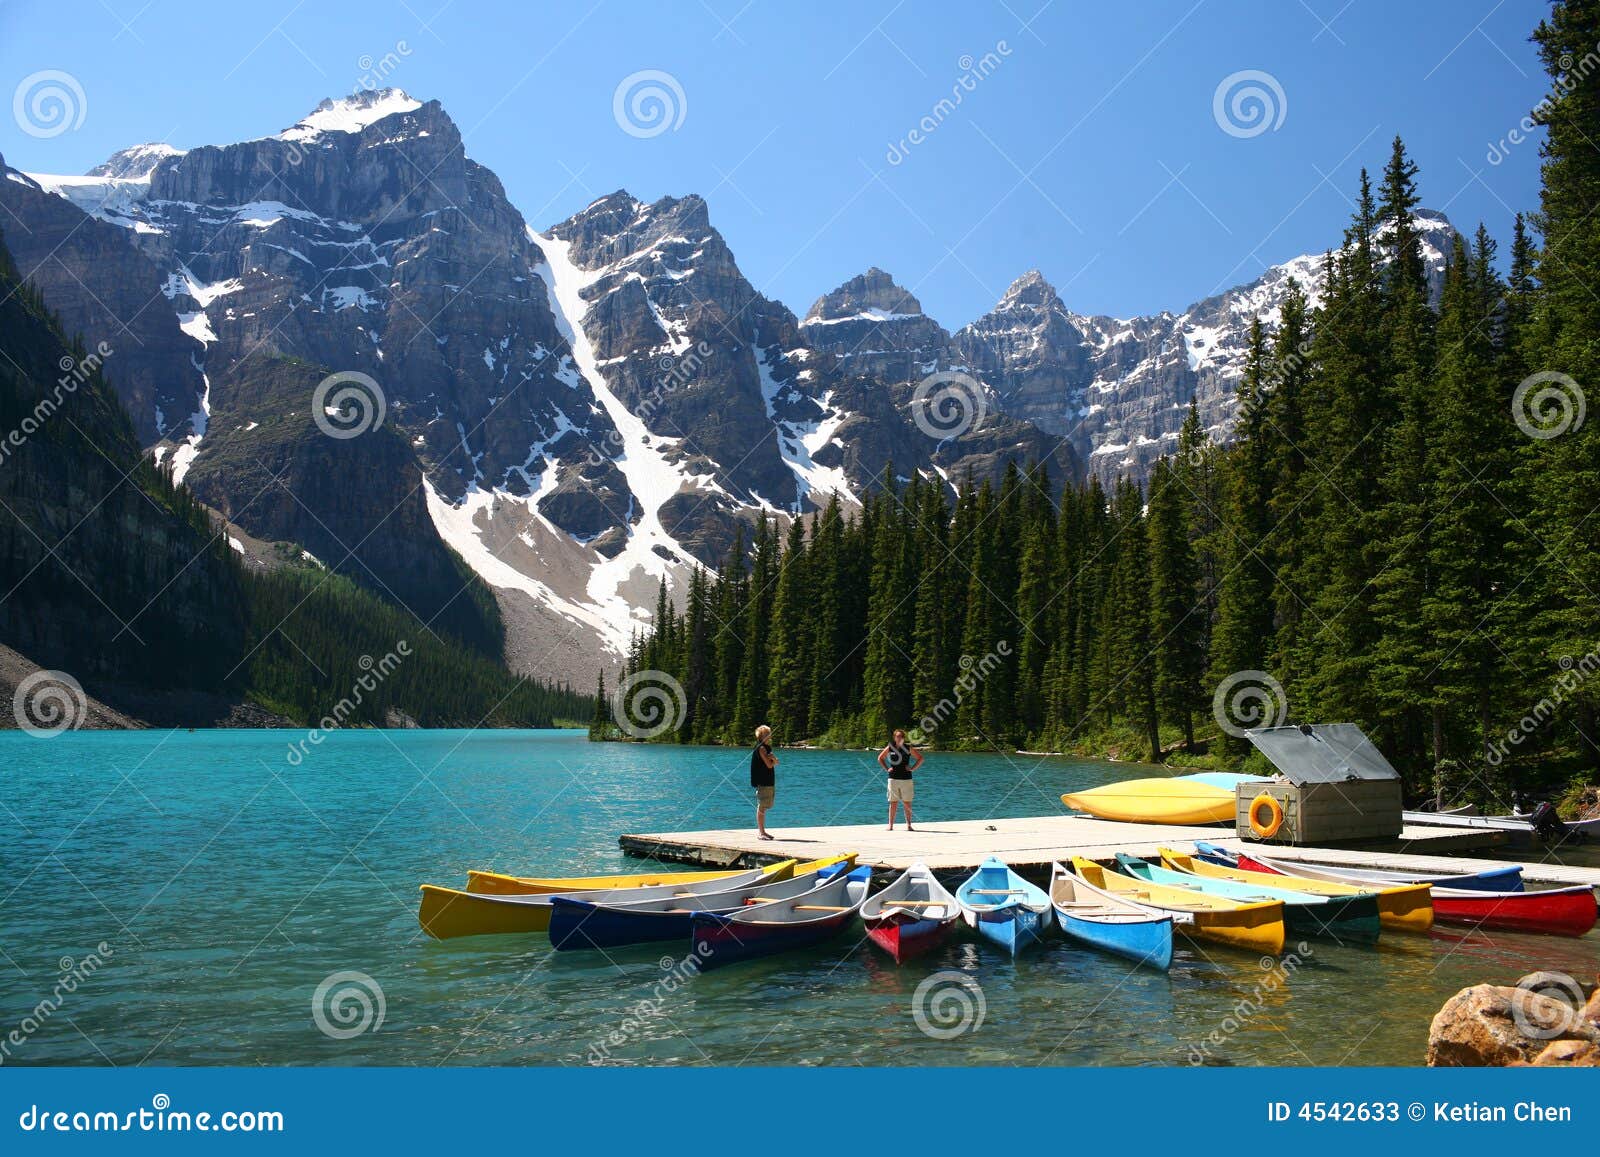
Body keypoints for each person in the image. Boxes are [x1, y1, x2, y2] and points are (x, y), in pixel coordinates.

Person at [878, 728, 923, 831]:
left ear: (904, 738)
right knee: (893, 802)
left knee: (907, 802)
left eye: (901, 736)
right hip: (893, 778)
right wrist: (887, 769)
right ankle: (890, 825)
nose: (899, 738)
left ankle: (908, 825)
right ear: (894, 737)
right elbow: (880, 758)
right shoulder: (890, 747)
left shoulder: (908, 748)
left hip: (906, 779)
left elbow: (920, 758)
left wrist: (912, 769)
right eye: (897, 736)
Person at [750, 724, 777, 840]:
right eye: (767, 734)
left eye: (769, 733)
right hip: (763, 781)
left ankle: (763, 832)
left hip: (769, 780)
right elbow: (770, 765)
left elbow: (775, 763)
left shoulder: (767, 748)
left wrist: (774, 760)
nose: (769, 736)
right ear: (761, 736)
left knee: (766, 805)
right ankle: (761, 833)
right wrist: (774, 760)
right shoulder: (761, 748)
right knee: (762, 805)